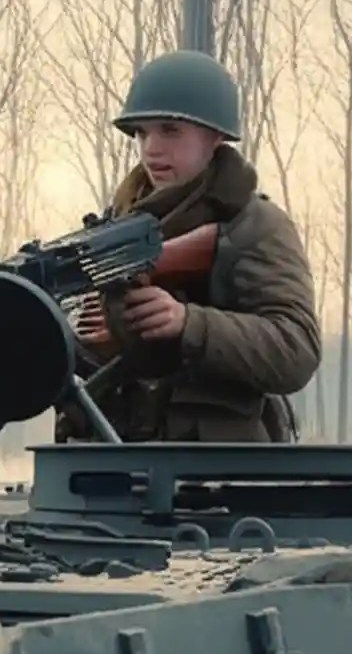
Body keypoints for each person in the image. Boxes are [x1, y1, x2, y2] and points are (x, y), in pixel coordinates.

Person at [57, 49, 321, 444]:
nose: (151, 149)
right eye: (142, 133)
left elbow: (296, 349)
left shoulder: (255, 226)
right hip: (110, 467)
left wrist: (188, 323)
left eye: (170, 130)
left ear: (214, 137)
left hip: (213, 475)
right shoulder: (115, 226)